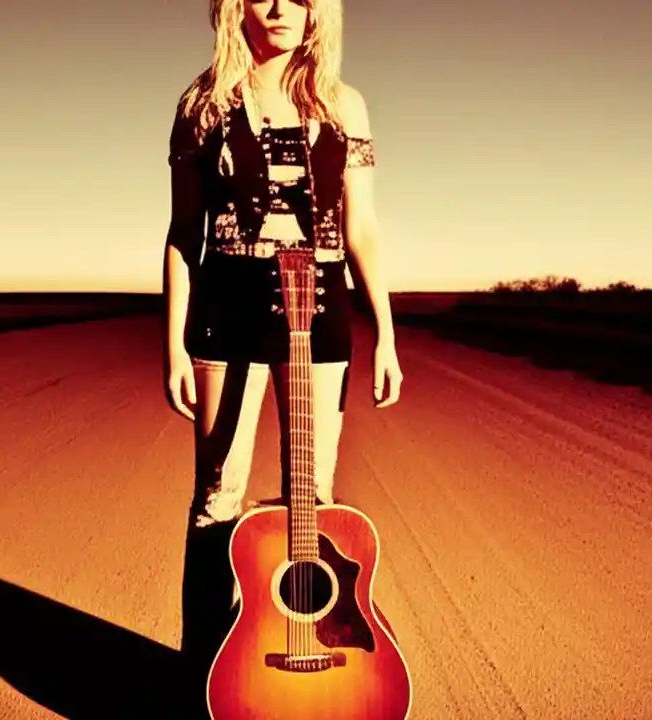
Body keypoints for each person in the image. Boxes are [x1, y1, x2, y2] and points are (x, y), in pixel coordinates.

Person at [162, 0, 402, 532]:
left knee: (312, 499)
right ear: (234, 9)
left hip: (320, 306)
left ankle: (298, 619)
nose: (279, 7)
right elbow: (184, 232)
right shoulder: (204, 102)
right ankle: (214, 619)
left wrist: (386, 333)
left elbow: (360, 227)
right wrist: (174, 345)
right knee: (217, 498)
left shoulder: (344, 105)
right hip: (227, 308)